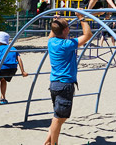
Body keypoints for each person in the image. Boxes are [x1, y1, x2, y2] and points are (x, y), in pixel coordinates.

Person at [45, 13, 92, 145]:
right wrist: (82, 18)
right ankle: (52, 143)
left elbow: (53, 33)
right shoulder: (66, 44)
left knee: (59, 116)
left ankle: (49, 141)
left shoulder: (51, 42)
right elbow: (88, 36)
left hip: (55, 84)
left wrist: (56, 22)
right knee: (59, 117)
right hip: (64, 85)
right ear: (65, 30)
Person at [0, 31, 28, 105]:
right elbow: (19, 58)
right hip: (13, 68)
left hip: (2, 67)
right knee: (3, 79)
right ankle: (3, 98)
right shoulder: (12, 48)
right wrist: (22, 71)